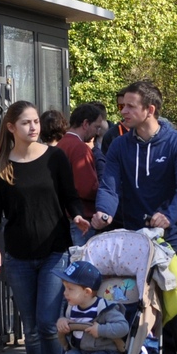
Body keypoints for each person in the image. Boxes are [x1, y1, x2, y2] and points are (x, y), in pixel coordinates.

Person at [91, 80, 177, 354]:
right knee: (139, 313)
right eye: (122, 106)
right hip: (133, 240)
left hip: (171, 237)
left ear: (149, 110)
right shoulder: (120, 146)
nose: (122, 111)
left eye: (129, 106)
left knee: (176, 312)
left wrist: (167, 215)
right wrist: (103, 212)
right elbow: (109, 186)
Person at [0, 99, 77, 354]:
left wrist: (79, 217)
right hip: (19, 258)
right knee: (33, 329)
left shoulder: (55, 157)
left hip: (54, 252)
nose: (34, 127)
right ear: (11, 128)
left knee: (48, 324)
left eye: (36, 121)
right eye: (26, 122)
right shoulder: (0, 165)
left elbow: (70, 199)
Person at [57, 103, 107, 247]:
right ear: (85, 123)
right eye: (96, 127)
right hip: (81, 217)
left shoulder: (62, 144)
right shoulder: (80, 148)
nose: (97, 132)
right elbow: (86, 187)